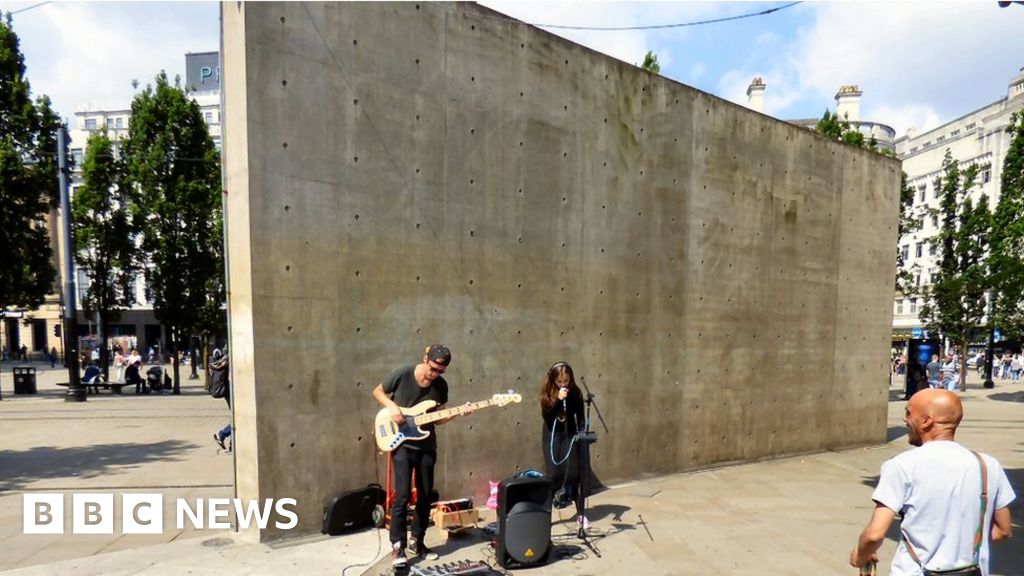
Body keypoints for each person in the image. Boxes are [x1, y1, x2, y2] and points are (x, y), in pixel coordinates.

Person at [849, 389, 1015, 575]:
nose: (904, 419)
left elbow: (874, 535)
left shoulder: (902, 466)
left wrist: (860, 556)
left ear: (926, 421)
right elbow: (1003, 530)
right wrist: (956, 544)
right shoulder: (987, 465)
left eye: (908, 413)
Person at [372, 345, 473, 568]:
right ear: (425, 359)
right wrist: (393, 407)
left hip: (427, 445)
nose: (434, 374)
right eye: (433, 368)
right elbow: (378, 391)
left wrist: (457, 413)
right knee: (402, 495)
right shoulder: (403, 374)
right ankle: (398, 545)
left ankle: (417, 541)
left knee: (426, 495)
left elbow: (438, 418)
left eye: (440, 371)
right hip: (402, 444)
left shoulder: (441, 386)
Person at [539, 361, 587, 527]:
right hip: (552, 434)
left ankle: (581, 515)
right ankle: (546, 518)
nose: (563, 384)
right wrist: (558, 400)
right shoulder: (547, 394)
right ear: (553, 380)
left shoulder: (576, 393)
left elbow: (580, 417)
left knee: (575, 475)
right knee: (554, 476)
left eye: (566, 381)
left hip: (569, 434)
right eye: (559, 381)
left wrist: (581, 433)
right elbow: (548, 417)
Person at [210, 350, 232, 450]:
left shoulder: (221, 361)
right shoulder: (229, 361)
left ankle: (231, 442)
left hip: (227, 391)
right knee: (238, 418)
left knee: (236, 417)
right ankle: (222, 435)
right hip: (230, 391)